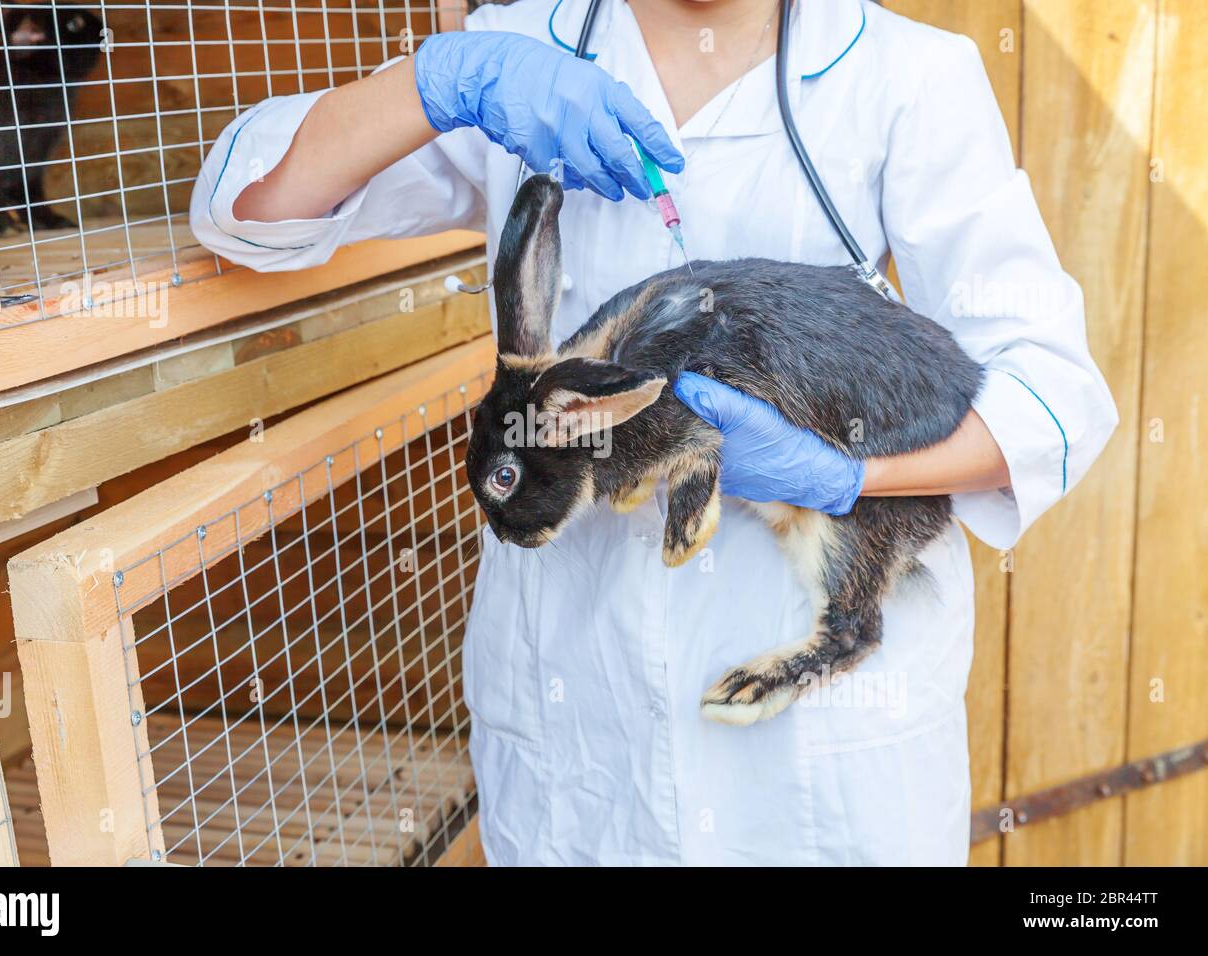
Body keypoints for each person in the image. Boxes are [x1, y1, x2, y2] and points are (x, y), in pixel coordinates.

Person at [189, 0, 1117, 865]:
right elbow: (249, 212)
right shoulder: (532, 47)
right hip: (579, 712)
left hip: (819, 747)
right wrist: (440, 82)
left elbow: (1053, 396)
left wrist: (838, 478)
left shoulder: (907, 74)